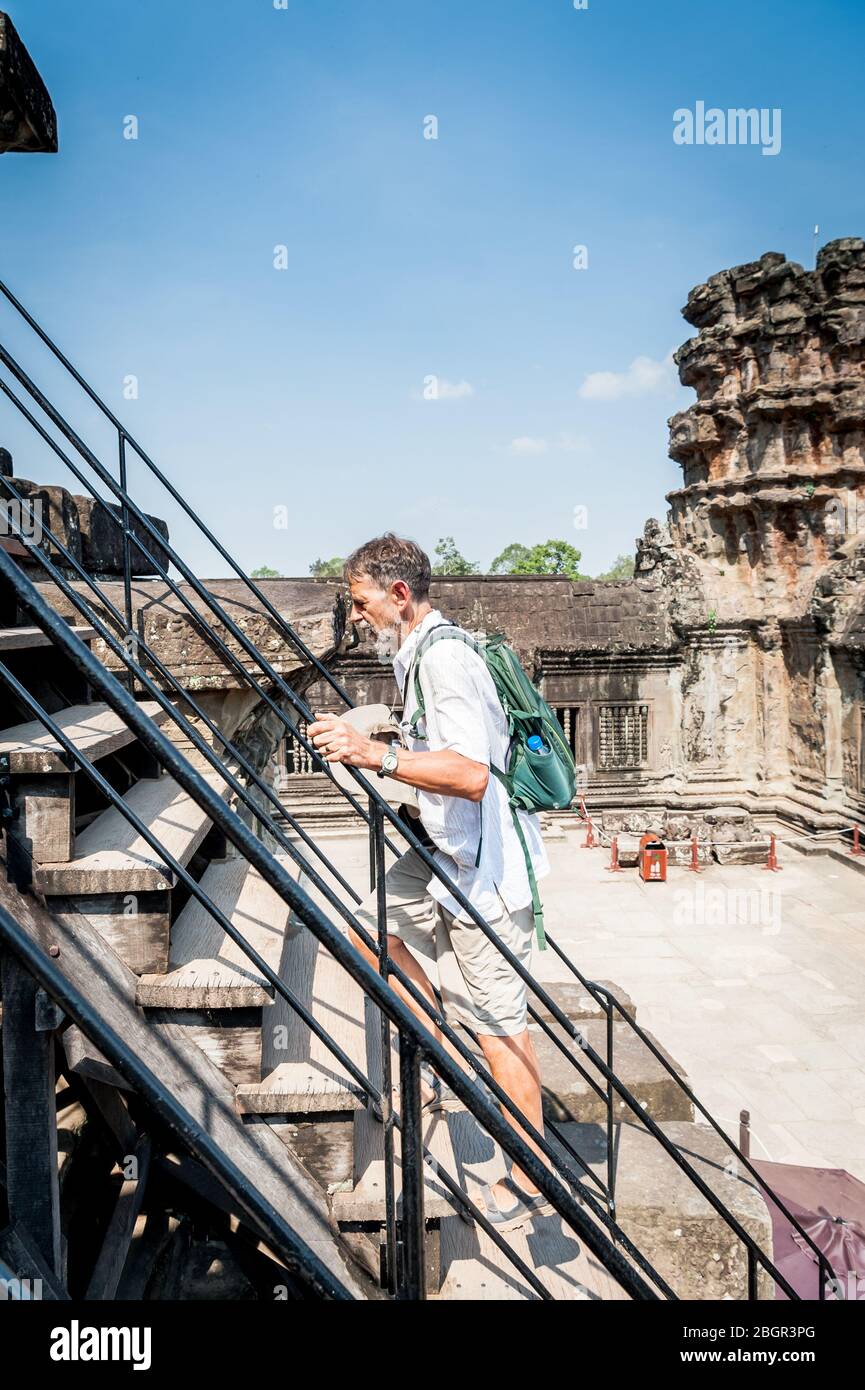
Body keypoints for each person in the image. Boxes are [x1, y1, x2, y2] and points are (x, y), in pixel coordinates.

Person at [308, 533, 553, 1230]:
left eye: (360, 603)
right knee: (363, 928)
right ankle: (439, 1050)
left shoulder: (444, 659)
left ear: (399, 595)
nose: (355, 616)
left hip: (486, 868)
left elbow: (470, 775)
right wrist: (380, 729)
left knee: (501, 1027)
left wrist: (372, 754)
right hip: (443, 848)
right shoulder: (420, 653)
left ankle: (530, 1179)